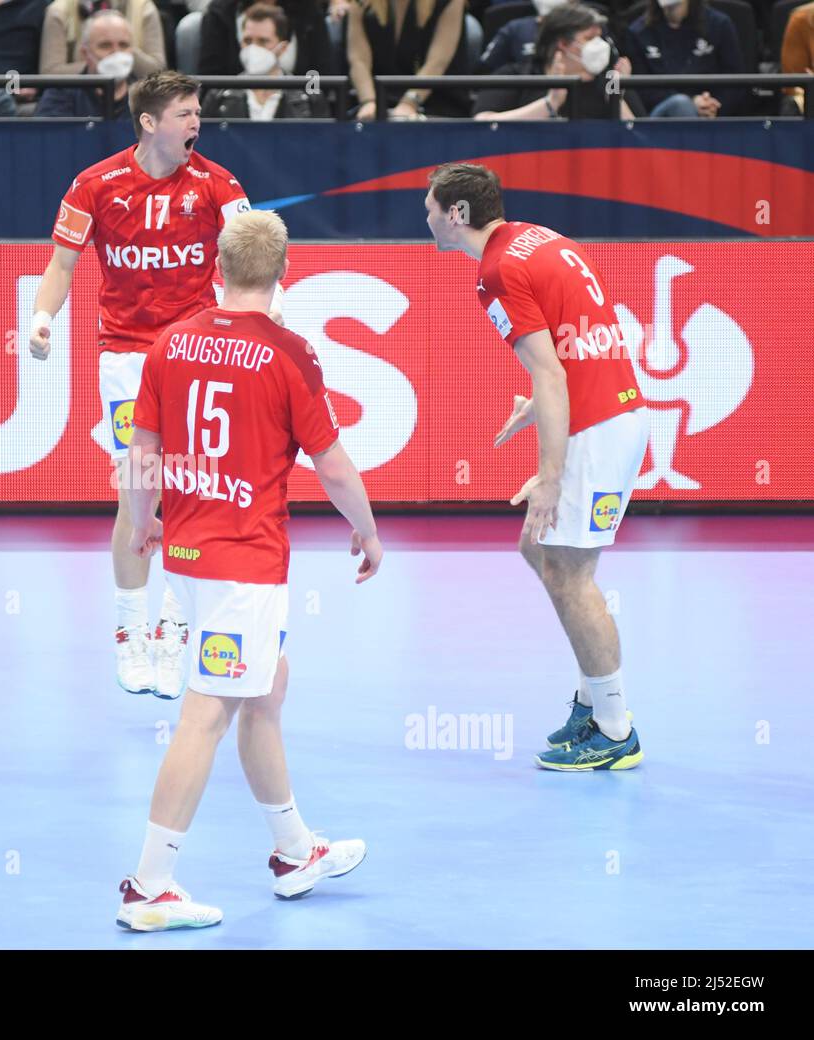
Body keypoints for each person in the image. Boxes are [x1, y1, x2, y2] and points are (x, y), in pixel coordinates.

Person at [114, 209, 378, 931]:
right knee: (204, 716)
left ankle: (295, 851)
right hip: (244, 564)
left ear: (218, 269)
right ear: (283, 272)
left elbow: (141, 449)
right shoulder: (290, 353)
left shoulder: (170, 342)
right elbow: (332, 464)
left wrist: (142, 521)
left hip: (190, 557)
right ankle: (150, 885)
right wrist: (367, 530)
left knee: (267, 687)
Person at [29, 71, 284, 701]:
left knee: (189, 493)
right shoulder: (94, 184)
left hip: (198, 352)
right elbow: (62, 262)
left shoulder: (219, 184)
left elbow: (255, 259)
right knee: (138, 493)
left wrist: (269, 313)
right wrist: (40, 319)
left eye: (198, 113)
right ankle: (129, 633)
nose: (196, 123)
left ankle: (174, 633)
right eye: (184, 114)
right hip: (126, 355)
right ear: (149, 122)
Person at [425, 162, 650, 771]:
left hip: (601, 427)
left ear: (457, 214)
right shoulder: (539, 236)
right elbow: (576, 343)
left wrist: (552, 477)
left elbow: (548, 371)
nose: (426, 215)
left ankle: (614, 729)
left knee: (569, 575)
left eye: (431, 206)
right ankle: (590, 698)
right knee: (538, 548)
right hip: (602, 414)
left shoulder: (495, 271)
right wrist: (540, 413)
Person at [472, 5, 641, 120]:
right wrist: (550, 104)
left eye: (600, 37)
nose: (600, 45)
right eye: (590, 38)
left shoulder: (611, 82)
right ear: (563, 44)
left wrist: (616, 100)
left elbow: (645, 138)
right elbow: (483, 122)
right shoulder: (517, 76)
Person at [200, 2, 332, 118]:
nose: (253, 48)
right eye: (248, 41)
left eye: (263, 41)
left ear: (282, 48)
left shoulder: (310, 100)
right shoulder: (217, 98)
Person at [625, 0, 744, 118]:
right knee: (680, 104)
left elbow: (735, 81)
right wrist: (692, 102)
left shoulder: (719, 24)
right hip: (661, 119)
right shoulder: (638, 32)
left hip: (714, 114)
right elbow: (641, 91)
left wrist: (712, 106)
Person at [34, 8, 138, 119]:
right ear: (85, 53)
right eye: (105, 45)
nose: (116, 53)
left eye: (123, 45)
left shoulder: (149, 97)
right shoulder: (59, 95)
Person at [39, 0, 166, 76]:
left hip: (136, 93)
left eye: (122, 44)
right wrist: (97, 65)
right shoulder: (59, 11)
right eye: (106, 45)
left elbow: (158, 70)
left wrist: (125, 52)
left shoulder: (143, 8)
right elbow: (50, 72)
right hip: (79, 93)